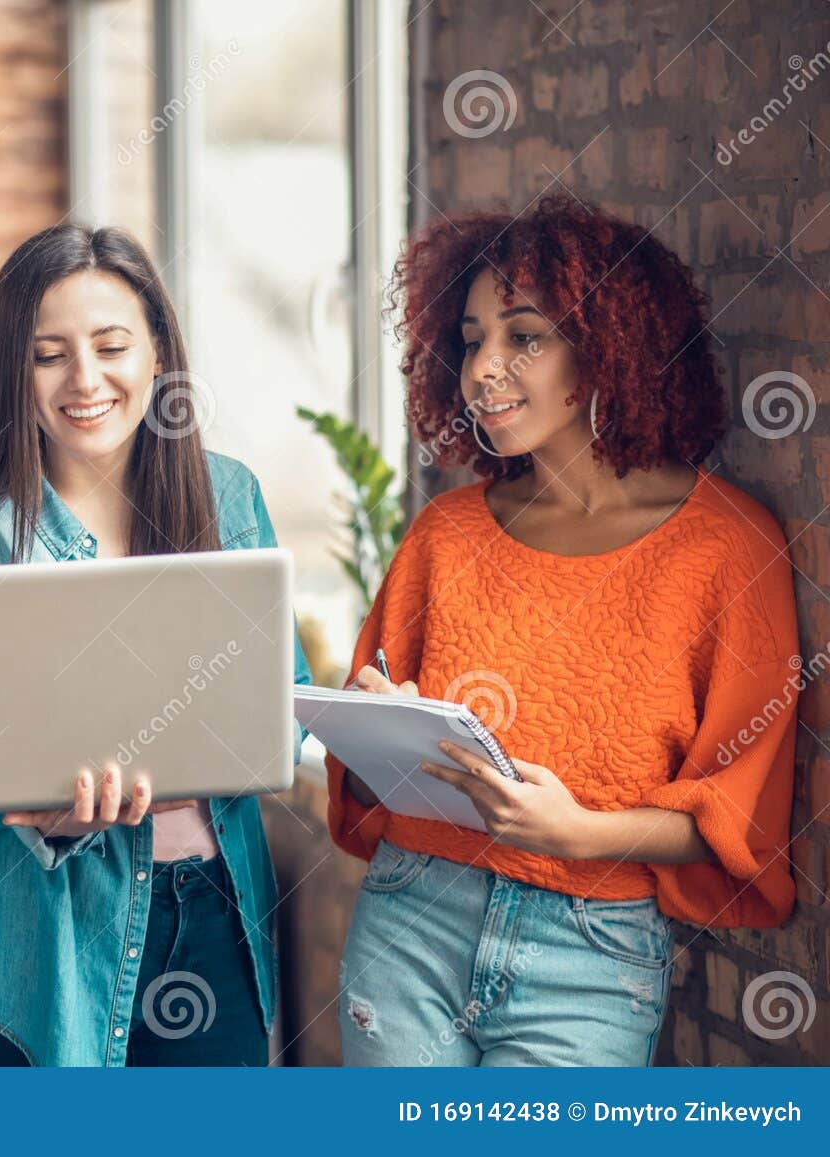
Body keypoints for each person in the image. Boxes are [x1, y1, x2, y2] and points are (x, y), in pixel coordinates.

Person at [329, 194, 799, 1066]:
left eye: (524, 337)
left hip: (590, 953)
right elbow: (363, 772)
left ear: (611, 347)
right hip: (411, 921)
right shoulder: (445, 535)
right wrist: (379, 724)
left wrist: (580, 832)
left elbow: (738, 813)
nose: (483, 370)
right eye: (471, 340)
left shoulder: (729, 549)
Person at [0, 223, 312, 1066]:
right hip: (41, 942)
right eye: (48, 355)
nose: (86, 380)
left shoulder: (231, 497)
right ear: (13, 372)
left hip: (213, 913)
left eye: (111, 346)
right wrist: (50, 818)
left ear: (157, 354)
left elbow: (281, 712)